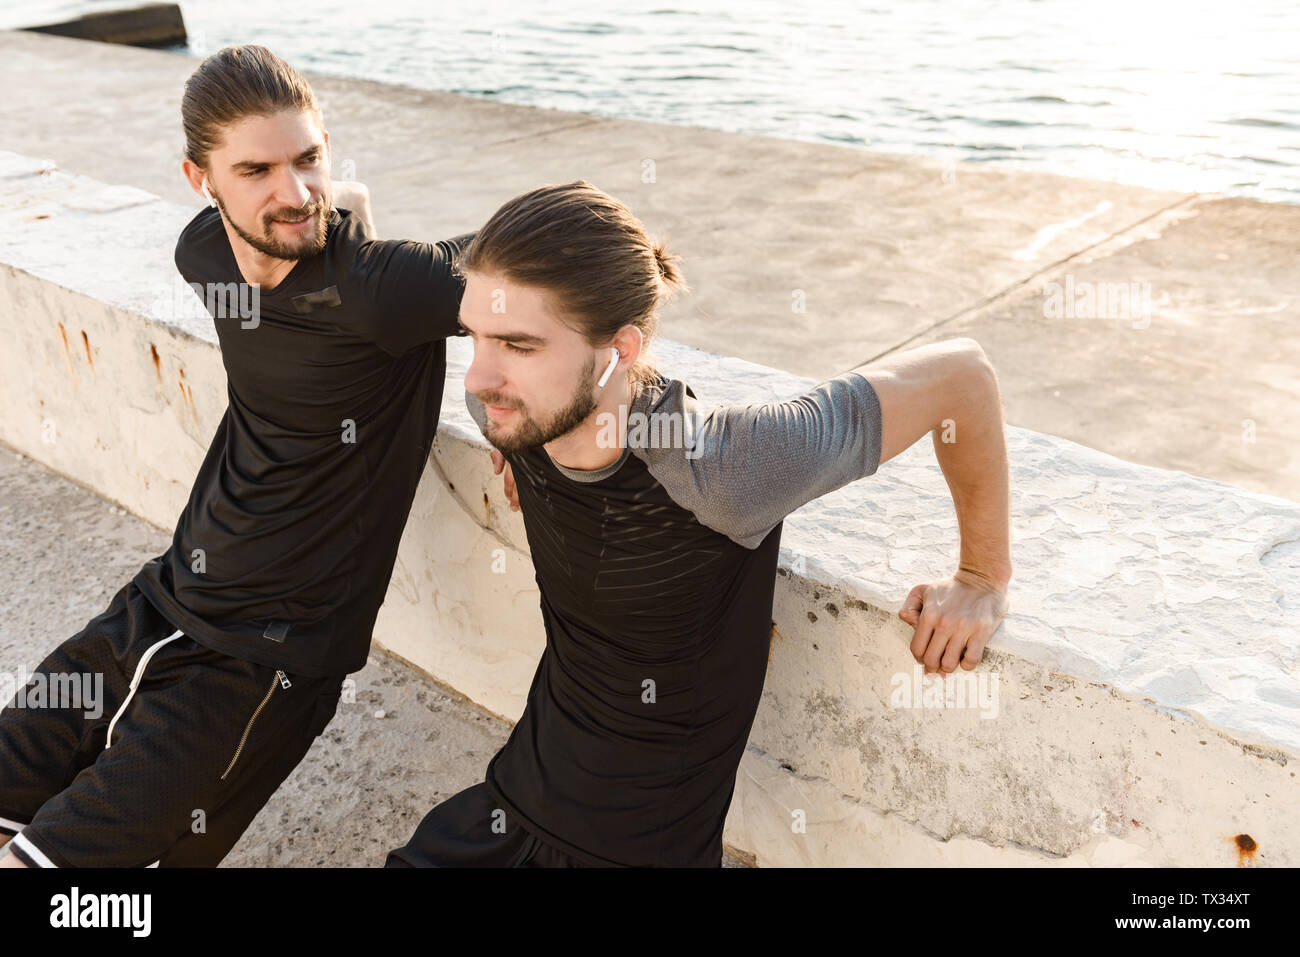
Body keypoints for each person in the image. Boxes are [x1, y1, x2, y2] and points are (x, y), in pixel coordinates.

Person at [386, 180, 1012, 867]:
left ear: (620, 349)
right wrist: (518, 437)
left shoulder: (723, 468)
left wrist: (982, 575)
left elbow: (964, 376)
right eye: (474, 336)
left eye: (517, 345)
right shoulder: (511, 408)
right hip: (503, 811)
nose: (476, 379)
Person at [0, 44, 473, 868]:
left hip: (260, 665)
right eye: (256, 170)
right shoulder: (204, 255)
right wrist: (346, 207)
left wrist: (529, 404)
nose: (294, 194)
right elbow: (336, 214)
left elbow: (568, 254)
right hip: (154, 603)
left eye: (310, 159)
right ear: (199, 181)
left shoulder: (384, 288)